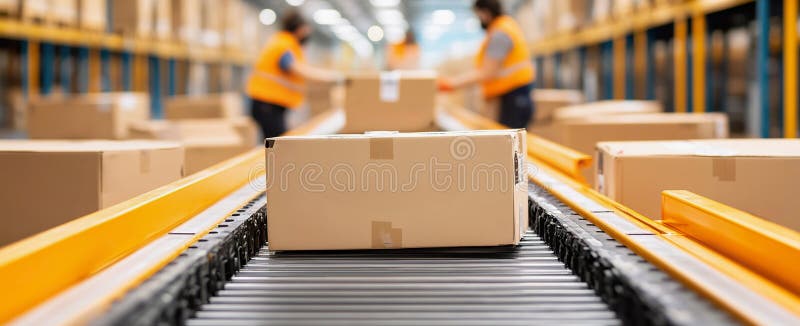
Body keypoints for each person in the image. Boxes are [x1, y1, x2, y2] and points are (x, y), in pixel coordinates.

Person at [438, 0, 535, 128]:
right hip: (514, 96)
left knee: (509, 144)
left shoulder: (500, 34)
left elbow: (488, 72)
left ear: (485, 12)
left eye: (478, 15)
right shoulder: (503, 27)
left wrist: (452, 84)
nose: (479, 19)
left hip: (514, 97)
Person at [246, 11, 342, 139]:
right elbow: (298, 69)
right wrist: (333, 78)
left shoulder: (284, 42)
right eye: (306, 29)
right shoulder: (284, 44)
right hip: (267, 103)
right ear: (300, 29)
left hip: (268, 102)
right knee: (278, 144)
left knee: (276, 142)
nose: (308, 33)